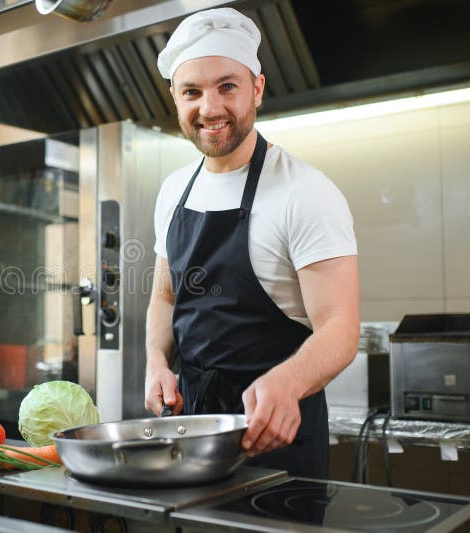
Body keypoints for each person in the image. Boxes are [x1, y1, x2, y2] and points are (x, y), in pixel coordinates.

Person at [144, 7, 360, 479]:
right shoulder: (173, 190)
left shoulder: (305, 191)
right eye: (192, 92)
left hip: (276, 437)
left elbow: (341, 327)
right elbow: (165, 295)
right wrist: (156, 361)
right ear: (175, 98)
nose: (210, 108)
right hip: (191, 431)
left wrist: (289, 381)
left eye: (227, 86)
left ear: (257, 89)